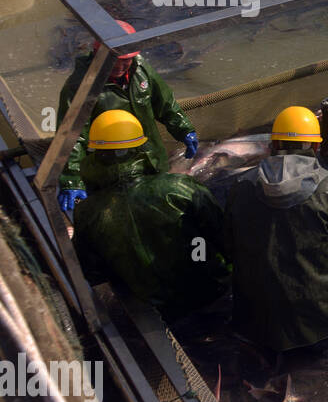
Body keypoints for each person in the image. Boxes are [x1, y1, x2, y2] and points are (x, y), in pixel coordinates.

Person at [223, 105, 328, 357]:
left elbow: (226, 248)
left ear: (272, 145)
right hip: (322, 328)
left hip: (254, 327)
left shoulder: (241, 187)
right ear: (315, 147)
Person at [72, 111, 228, 320]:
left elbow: (93, 272)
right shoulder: (180, 187)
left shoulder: (85, 212)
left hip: (152, 311)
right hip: (209, 293)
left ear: (94, 156)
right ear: (143, 150)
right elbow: (224, 236)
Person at [56, 20, 198, 213]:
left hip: (151, 159)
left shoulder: (141, 69)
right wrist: (71, 179)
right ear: (98, 54)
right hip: (108, 169)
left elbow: (165, 104)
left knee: (156, 210)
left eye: (126, 59)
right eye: (114, 59)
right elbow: (72, 136)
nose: (121, 65)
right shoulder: (79, 87)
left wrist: (184, 129)